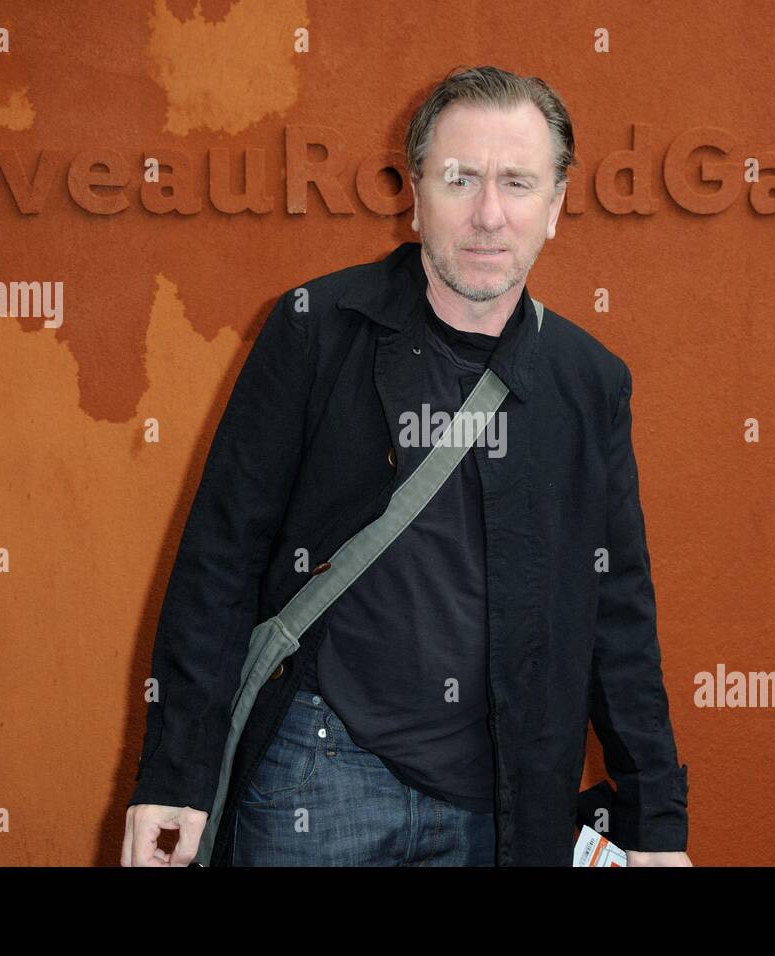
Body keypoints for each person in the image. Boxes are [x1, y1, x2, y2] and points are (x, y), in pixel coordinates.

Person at [121, 65, 692, 867]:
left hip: (505, 803)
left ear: (556, 206)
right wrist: (173, 775)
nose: (488, 215)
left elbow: (618, 612)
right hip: (320, 780)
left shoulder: (588, 382)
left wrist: (654, 823)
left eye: (518, 183)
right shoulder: (317, 330)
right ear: (415, 192)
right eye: (459, 179)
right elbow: (220, 560)